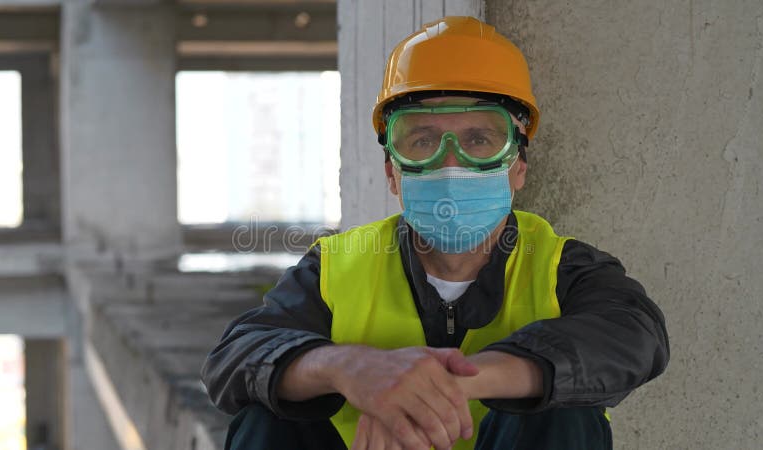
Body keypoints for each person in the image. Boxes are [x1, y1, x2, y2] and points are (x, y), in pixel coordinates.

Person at [201, 16, 669, 450]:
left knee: (566, 411)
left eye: (479, 140)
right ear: (392, 171)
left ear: (519, 166)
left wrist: (448, 384)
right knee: (269, 415)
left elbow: (634, 336)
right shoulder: (336, 268)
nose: (450, 163)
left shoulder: (563, 268)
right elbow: (234, 358)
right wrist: (352, 369)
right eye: (422, 141)